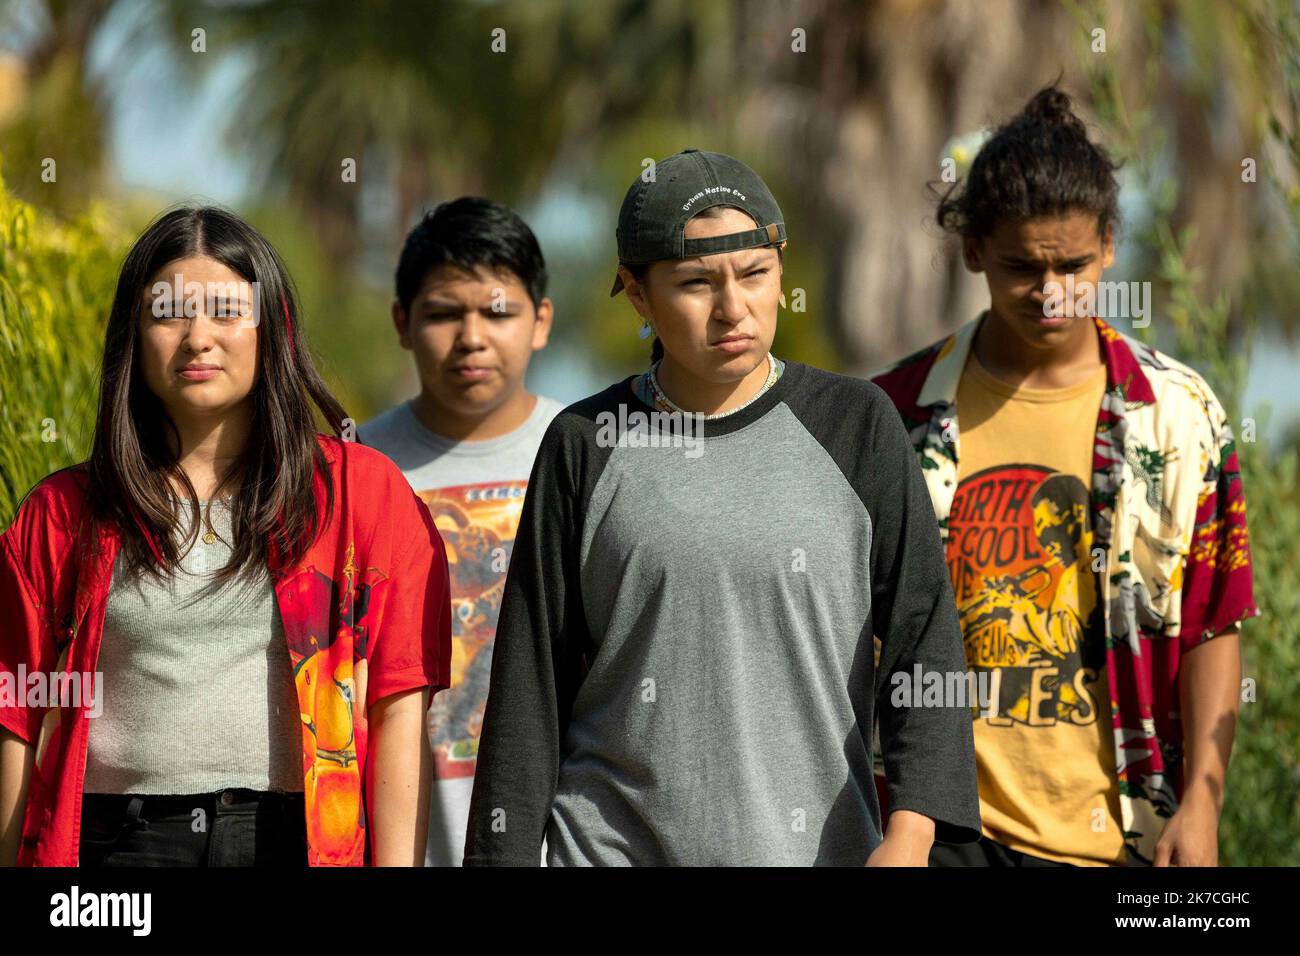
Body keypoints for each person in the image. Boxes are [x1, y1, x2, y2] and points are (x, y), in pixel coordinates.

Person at [463, 148, 979, 866]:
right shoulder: (585, 445)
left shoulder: (856, 426)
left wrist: (913, 832)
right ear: (638, 295)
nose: (732, 308)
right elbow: (529, 687)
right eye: (696, 283)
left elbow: (924, 640)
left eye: (754, 275)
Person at [870, 86, 1259, 867]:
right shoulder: (894, 416)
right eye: (1021, 267)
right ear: (974, 249)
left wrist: (1202, 804)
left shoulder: (1178, 416)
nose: (1051, 294)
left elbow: (1214, 622)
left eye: (1073, 265)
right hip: (940, 835)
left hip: (1125, 838)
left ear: (1110, 244)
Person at [0, 206, 452, 867]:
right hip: (115, 849)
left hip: (290, 841)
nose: (198, 337)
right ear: (133, 335)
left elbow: (399, 706)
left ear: (274, 330)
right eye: (169, 313)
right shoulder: (64, 512)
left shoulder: (362, 495)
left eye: (225, 310)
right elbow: (14, 714)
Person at [359, 197, 563, 866]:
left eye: (498, 311)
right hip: (394, 832)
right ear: (402, 323)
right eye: (445, 313)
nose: (472, 336)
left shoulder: (589, 454)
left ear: (541, 321)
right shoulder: (353, 468)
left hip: (560, 833)